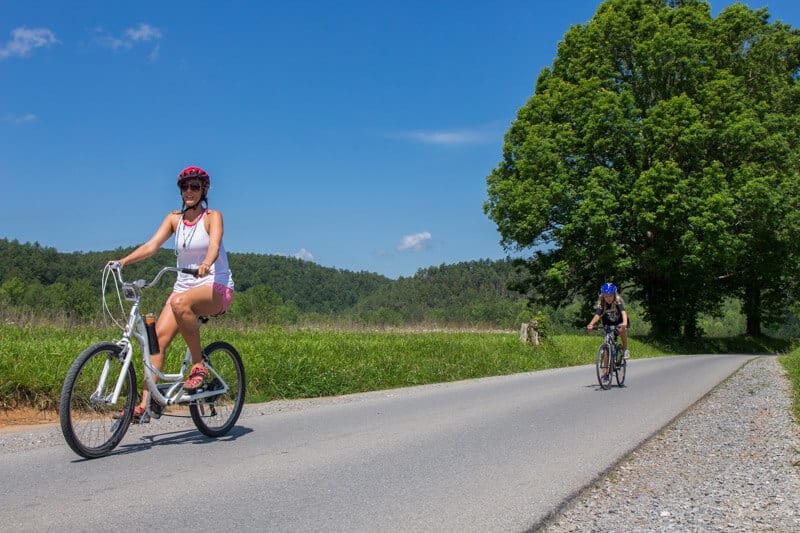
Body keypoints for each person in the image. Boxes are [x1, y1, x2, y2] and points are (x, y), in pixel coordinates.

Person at [111, 166, 235, 422]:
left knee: (179, 303)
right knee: (156, 341)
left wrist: (206, 264)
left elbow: (214, 244)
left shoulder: (213, 216)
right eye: (185, 186)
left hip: (215, 286)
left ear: (204, 190)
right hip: (183, 289)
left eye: (195, 186)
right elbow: (151, 246)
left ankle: (198, 366)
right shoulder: (174, 219)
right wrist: (123, 261)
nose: (189, 191)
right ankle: (146, 405)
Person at [587, 282, 629, 381]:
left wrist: (625, 323)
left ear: (614, 295)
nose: (608, 298)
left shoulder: (617, 301)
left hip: (619, 323)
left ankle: (625, 349)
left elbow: (623, 313)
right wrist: (591, 324)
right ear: (603, 295)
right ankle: (605, 373)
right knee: (606, 347)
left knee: (622, 329)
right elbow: (597, 315)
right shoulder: (601, 302)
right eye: (606, 296)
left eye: (610, 296)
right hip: (608, 325)